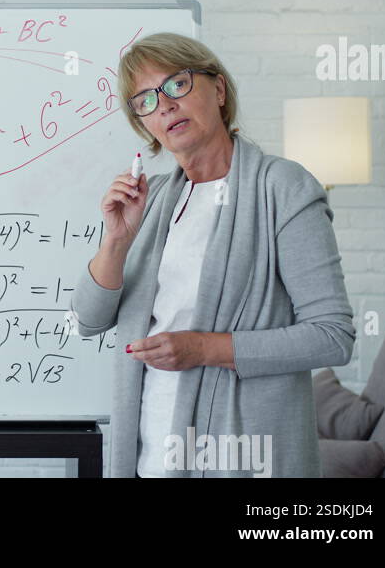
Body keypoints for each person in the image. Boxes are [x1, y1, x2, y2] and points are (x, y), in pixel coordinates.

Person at [69, 32, 356, 478]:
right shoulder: (154, 199)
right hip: (148, 456)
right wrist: (117, 241)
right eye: (144, 100)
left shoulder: (282, 188)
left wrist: (201, 348)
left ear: (218, 90)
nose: (163, 105)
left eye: (176, 85)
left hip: (243, 457)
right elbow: (88, 321)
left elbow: (332, 336)